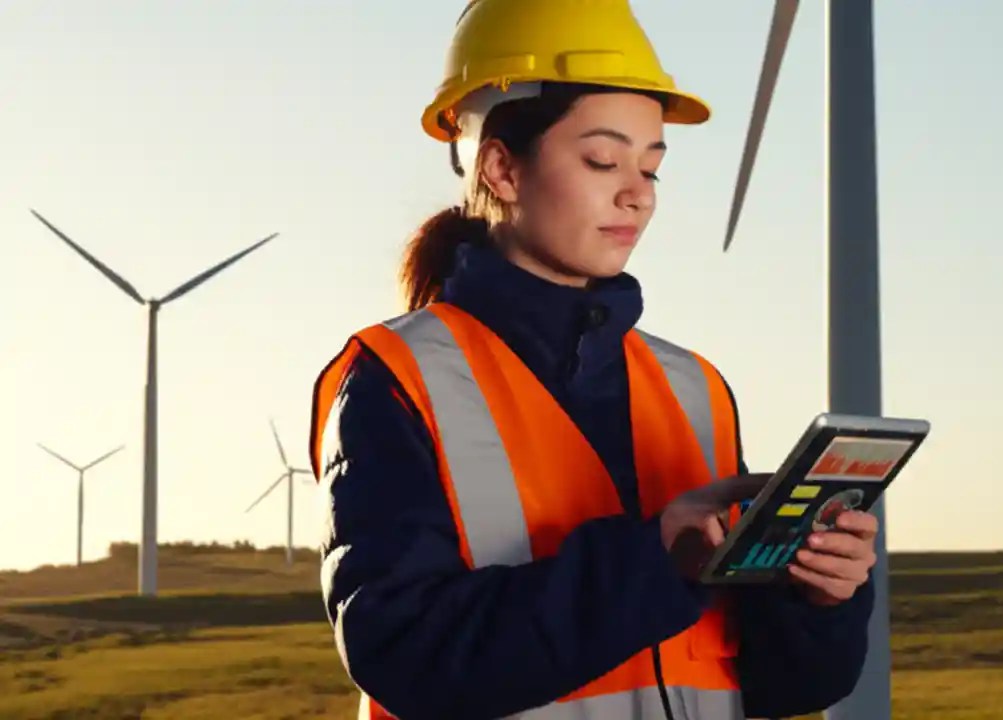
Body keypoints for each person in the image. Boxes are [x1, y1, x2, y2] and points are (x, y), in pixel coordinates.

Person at [307, 1, 878, 718]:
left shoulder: (694, 387)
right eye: (603, 160)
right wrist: (654, 560)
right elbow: (407, 653)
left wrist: (817, 599)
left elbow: (775, 686)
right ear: (500, 168)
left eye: (653, 168)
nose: (637, 195)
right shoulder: (398, 378)